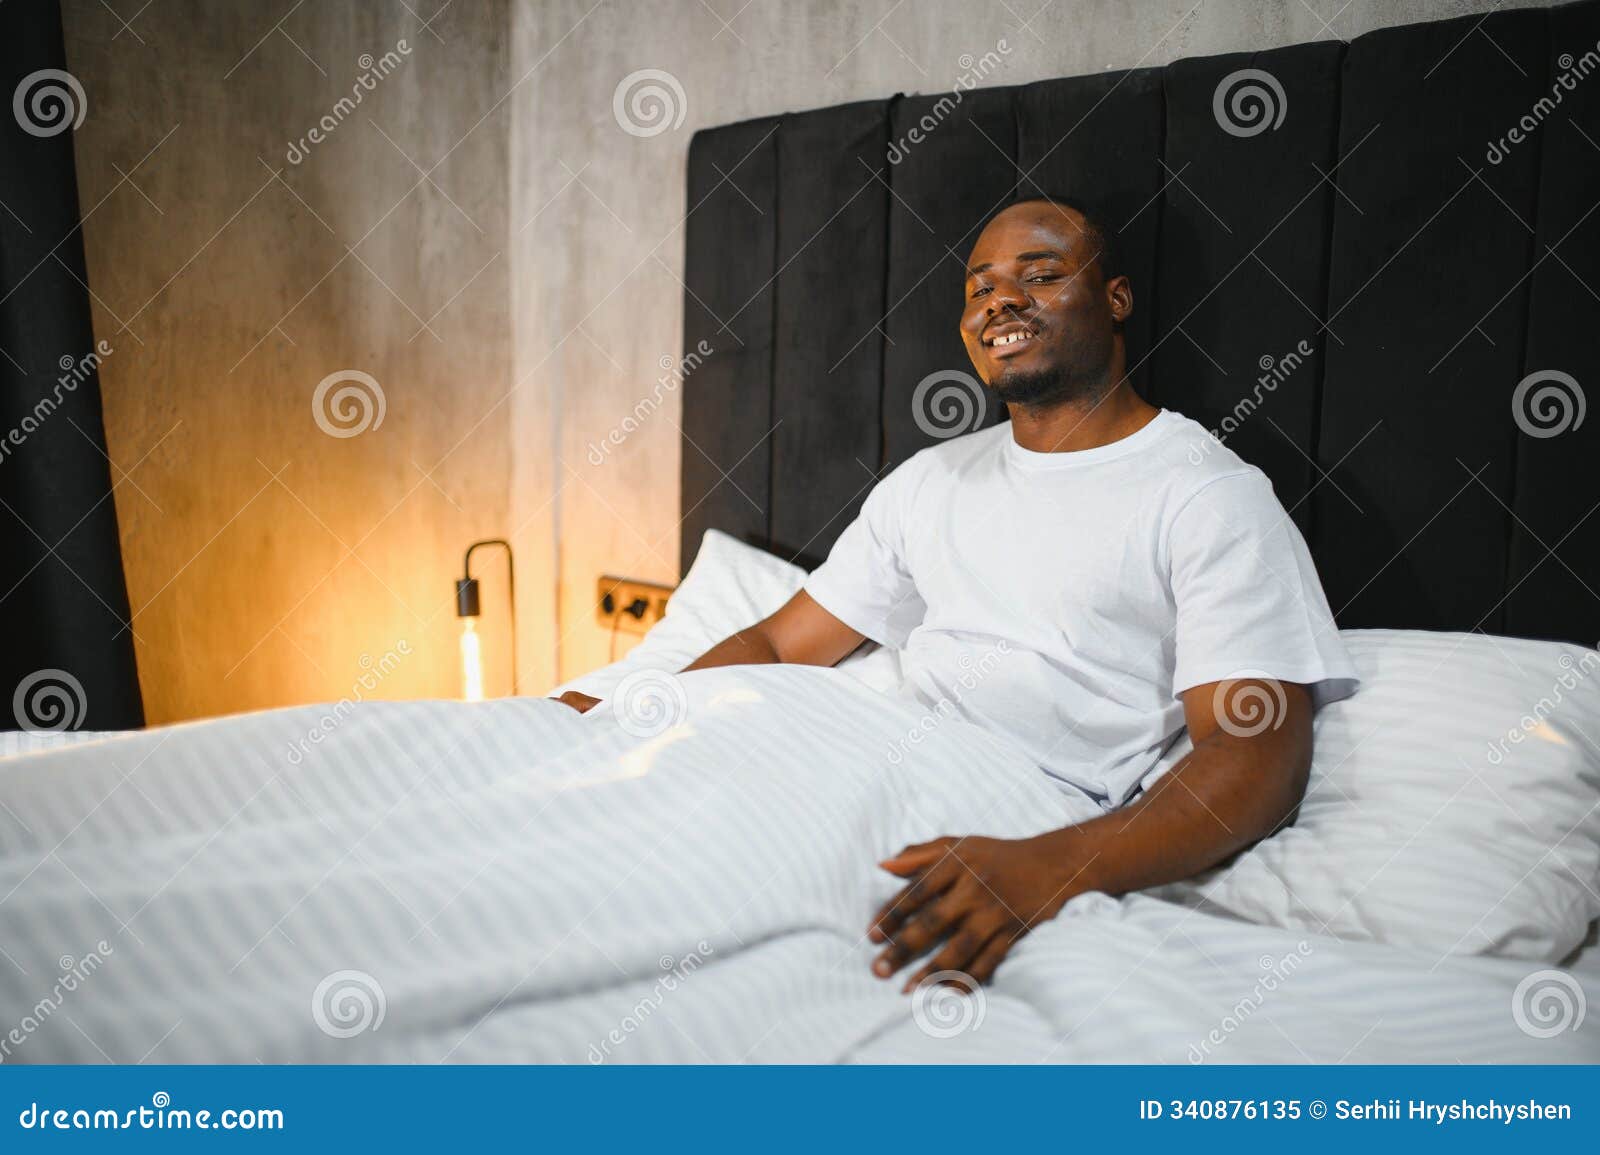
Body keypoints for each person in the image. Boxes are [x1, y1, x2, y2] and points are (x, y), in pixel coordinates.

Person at [558, 195, 1357, 991]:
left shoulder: (1203, 493)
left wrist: (1047, 866)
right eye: (979, 289)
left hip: (1005, 813)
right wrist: (641, 707)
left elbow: (1254, 751)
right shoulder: (931, 481)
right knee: (571, 832)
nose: (1001, 300)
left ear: (1115, 300)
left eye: (1040, 275)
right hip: (845, 754)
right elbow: (775, 644)